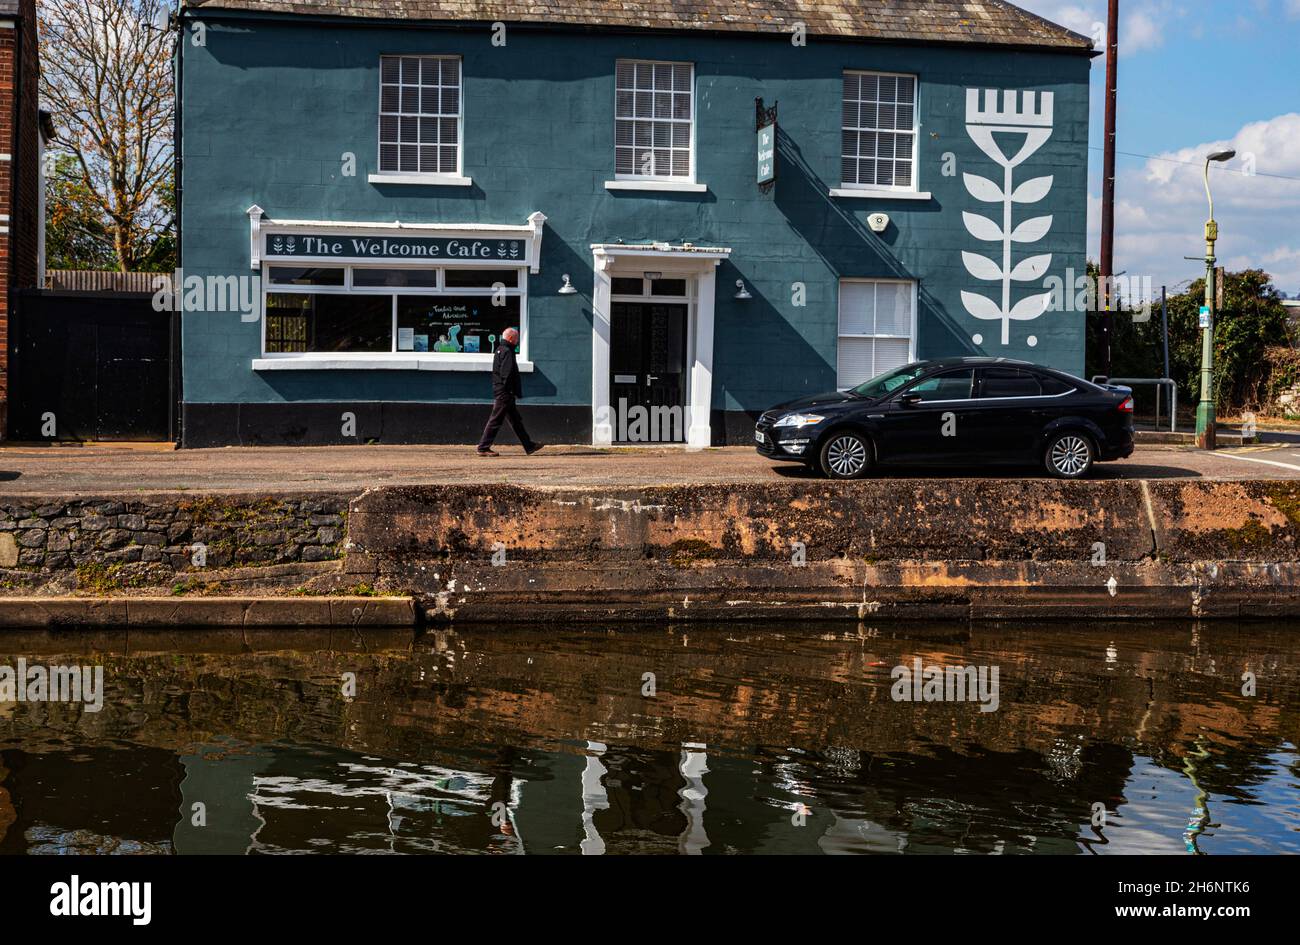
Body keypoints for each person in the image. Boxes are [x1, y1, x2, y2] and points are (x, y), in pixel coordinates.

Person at [477, 327, 543, 456]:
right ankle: (483, 447)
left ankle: (529, 445)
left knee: (515, 420)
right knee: (495, 420)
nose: (517, 341)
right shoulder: (507, 351)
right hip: (505, 393)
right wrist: (510, 391)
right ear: (511, 338)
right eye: (517, 339)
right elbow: (506, 374)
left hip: (502, 391)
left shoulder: (499, 350)